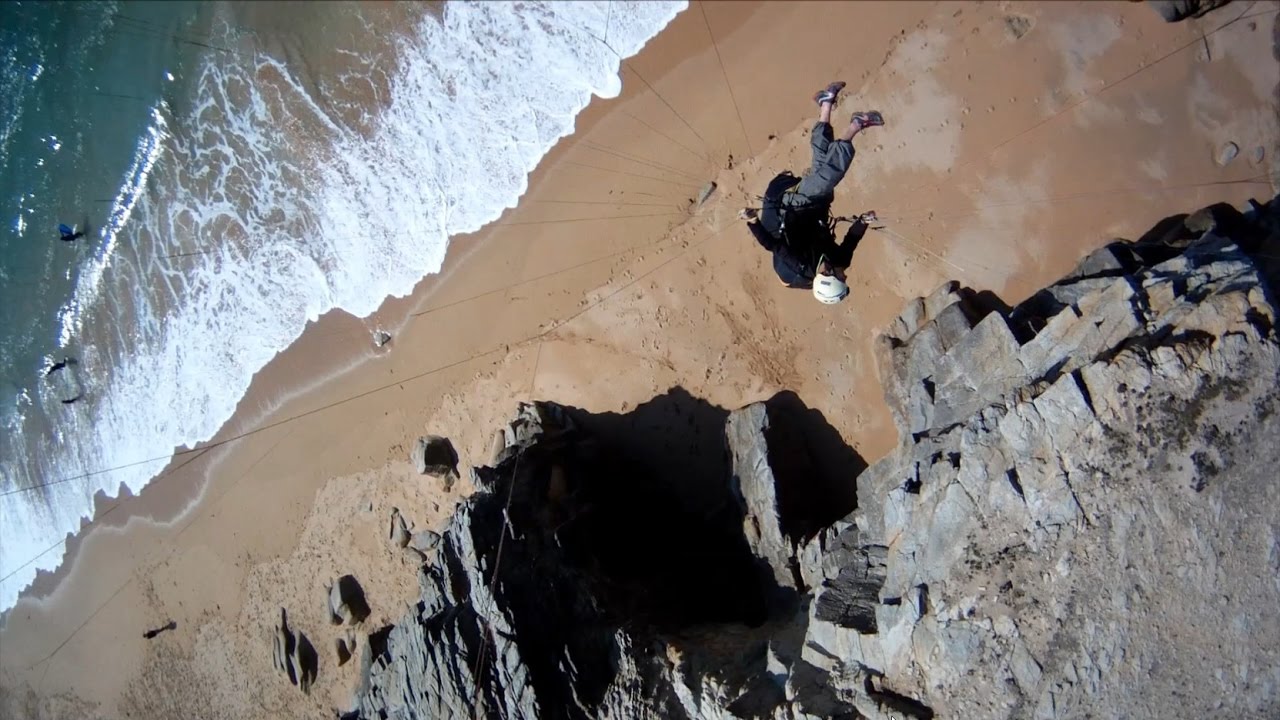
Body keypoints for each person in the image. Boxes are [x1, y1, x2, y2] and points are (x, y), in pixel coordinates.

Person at [744, 81, 884, 304]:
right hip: (814, 210)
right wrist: (864, 221)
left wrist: (752, 221)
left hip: (787, 207)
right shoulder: (840, 260)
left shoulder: (799, 264)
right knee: (821, 164)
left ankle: (856, 126)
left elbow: (772, 245)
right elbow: (852, 239)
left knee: (829, 175)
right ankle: (825, 104)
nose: (845, 275)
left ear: (827, 275)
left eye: (842, 278)